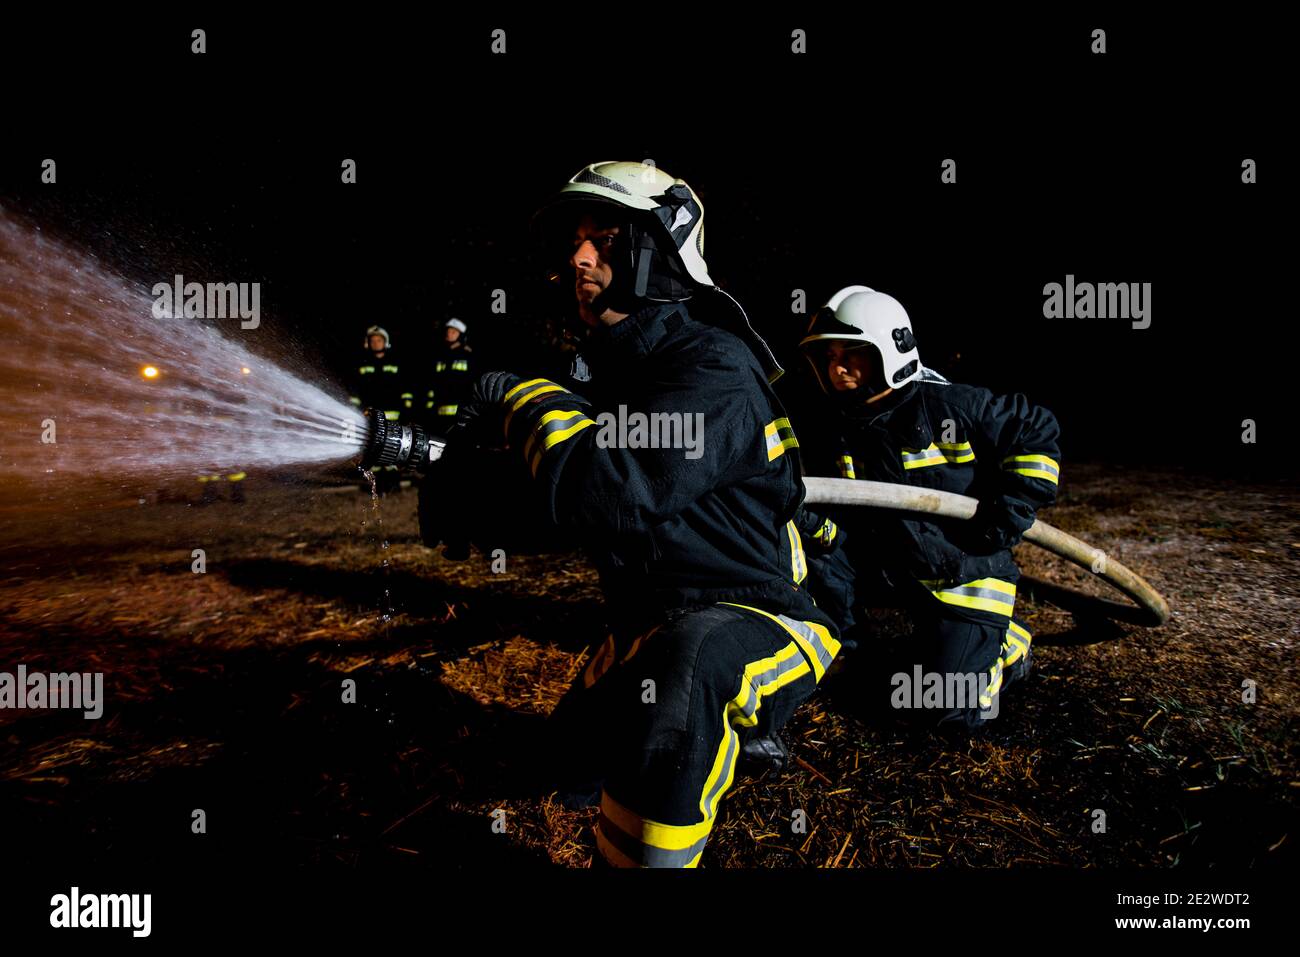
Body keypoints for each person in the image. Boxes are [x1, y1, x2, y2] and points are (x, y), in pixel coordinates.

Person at [438, 161, 844, 867]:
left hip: (757, 614)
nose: (578, 258)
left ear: (659, 252)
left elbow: (609, 486)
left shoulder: (710, 364)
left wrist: (515, 395)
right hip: (650, 622)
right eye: (574, 243)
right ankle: (712, 737)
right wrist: (471, 487)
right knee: (561, 770)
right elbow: (565, 496)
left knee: (689, 677)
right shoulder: (615, 371)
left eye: (603, 239)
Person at [795, 286, 1061, 727]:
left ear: (891, 349)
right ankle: (845, 647)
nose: (836, 367)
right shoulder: (834, 423)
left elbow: (1034, 429)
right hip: (888, 565)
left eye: (852, 353)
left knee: (944, 707)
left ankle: (1007, 648)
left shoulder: (950, 406)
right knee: (815, 551)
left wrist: (1013, 504)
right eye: (827, 356)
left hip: (963, 568)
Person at [349, 325, 412, 493]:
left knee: (392, 449)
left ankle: (393, 484)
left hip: (393, 417)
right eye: (373, 340)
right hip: (370, 417)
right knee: (372, 450)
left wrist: (406, 408)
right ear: (368, 343)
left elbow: (405, 388)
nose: (376, 343)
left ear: (386, 342)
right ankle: (373, 487)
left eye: (379, 340)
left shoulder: (395, 363)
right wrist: (355, 409)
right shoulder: (362, 364)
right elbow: (355, 390)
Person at [424, 318, 475, 435]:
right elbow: (432, 380)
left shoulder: (468, 355)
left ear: (461, 335)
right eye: (448, 331)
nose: (449, 334)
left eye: (453, 332)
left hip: (460, 410)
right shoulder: (439, 354)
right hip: (438, 409)